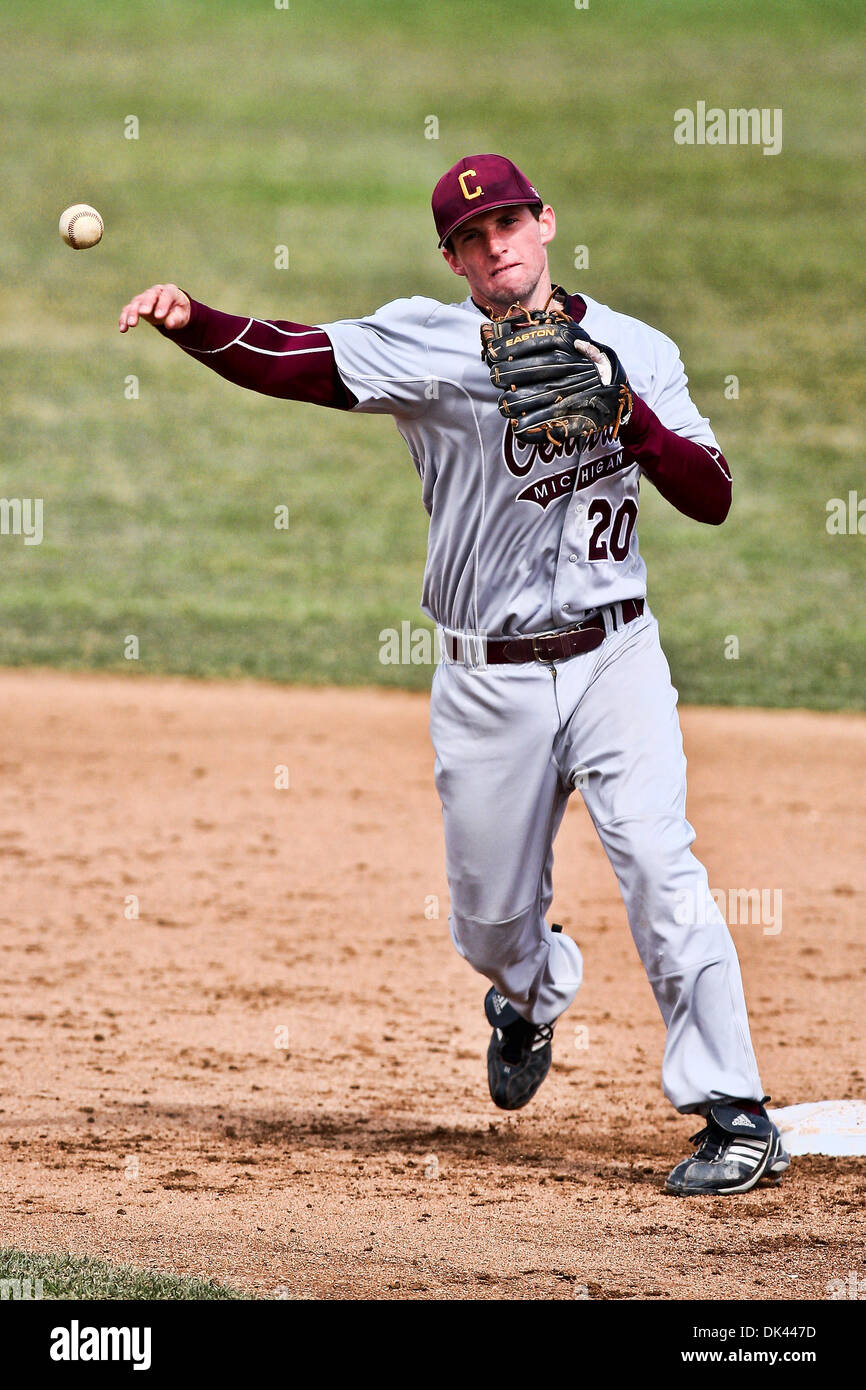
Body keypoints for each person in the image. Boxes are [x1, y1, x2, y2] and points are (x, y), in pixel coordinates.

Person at [119, 153, 789, 1196]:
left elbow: (709, 496)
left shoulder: (636, 349)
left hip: (615, 656)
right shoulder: (426, 344)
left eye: (510, 224)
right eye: (472, 240)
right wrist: (192, 319)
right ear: (452, 259)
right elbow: (295, 357)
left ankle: (733, 1109)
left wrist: (625, 416)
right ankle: (528, 990)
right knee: (483, 920)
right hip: (488, 679)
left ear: (544, 221)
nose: (496, 248)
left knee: (663, 868)